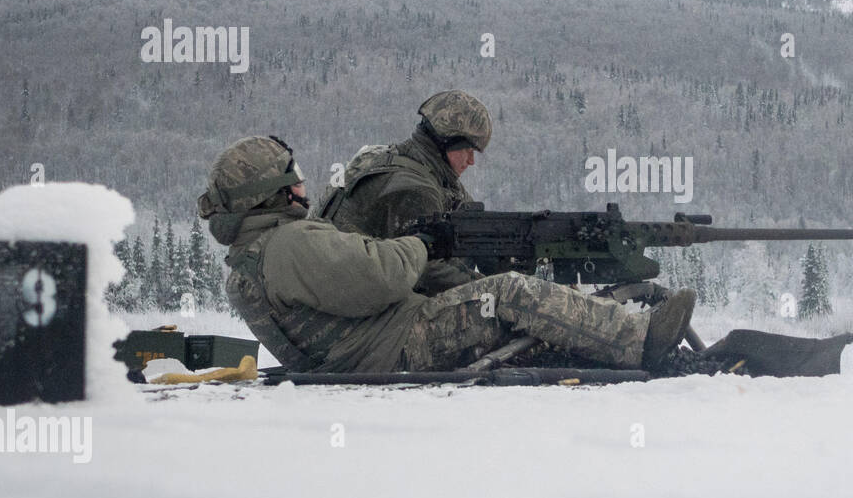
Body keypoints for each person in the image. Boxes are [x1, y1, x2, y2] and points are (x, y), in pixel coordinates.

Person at [198, 135, 694, 373]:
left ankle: (604, 338)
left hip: (372, 349)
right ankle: (639, 341)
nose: (305, 187)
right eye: (294, 179)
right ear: (274, 192)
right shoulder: (289, 244)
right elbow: (380, 277)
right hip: (398, 345)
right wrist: (423, 245)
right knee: (507, 294)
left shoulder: (258, 255)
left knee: (504, 306)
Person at [317, 90, 489, 295]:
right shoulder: (414, 189)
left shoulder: (404, 159)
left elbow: (465, 214)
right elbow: (425, 274)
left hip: (340, 281)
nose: (471, 161)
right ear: (446, 143)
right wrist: (490, 287)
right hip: (345, 298)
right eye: (467, 151)